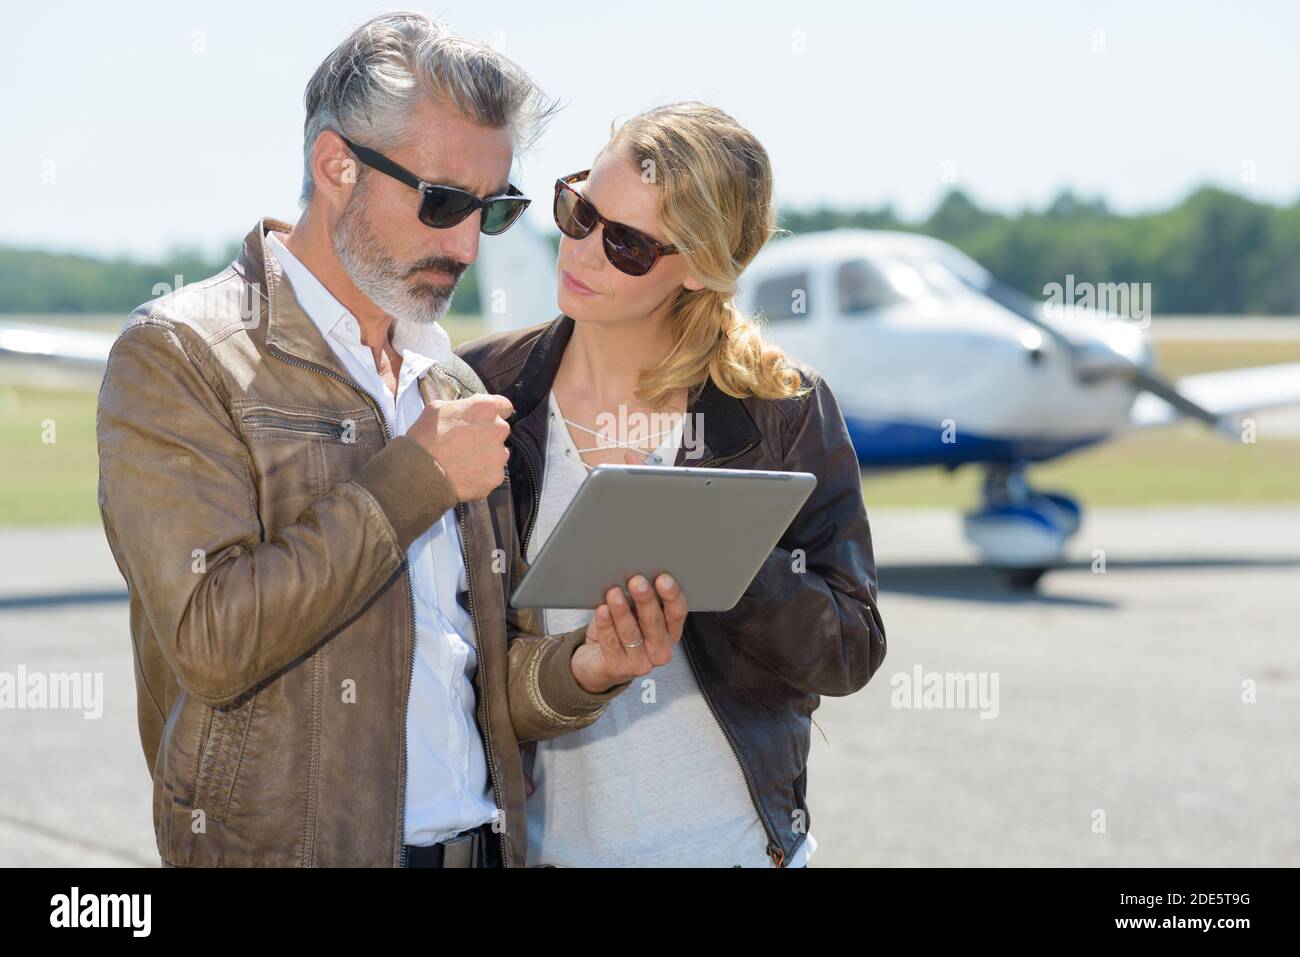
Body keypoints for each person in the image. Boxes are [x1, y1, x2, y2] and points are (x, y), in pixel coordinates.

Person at [95, 12, 685, 869]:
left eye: (495, 209)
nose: (465, 242)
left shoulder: (451, 383)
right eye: (443, 201)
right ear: (334, 164)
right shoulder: (180, 355)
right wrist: (412, 479)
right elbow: (212, 642)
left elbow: (483, 678)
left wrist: (588, 668)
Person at [457, 102, 888, 867]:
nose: (580, 250)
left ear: (699, 266)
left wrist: (727, 560)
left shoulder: (783, 409)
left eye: (623, 242)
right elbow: (446, 654)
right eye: (578, 209)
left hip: (734, 852)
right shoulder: (480, 390)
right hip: (537, 852)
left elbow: (851, 648)